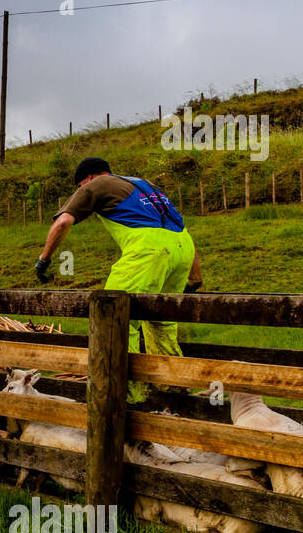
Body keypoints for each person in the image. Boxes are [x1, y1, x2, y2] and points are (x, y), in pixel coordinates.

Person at [34, 157, 203, 403]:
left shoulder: (97, 185)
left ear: (88, 179)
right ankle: (173, 394)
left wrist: (44, 260)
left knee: (114, 321)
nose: (81, 190)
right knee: (162, 324)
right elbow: (181, 228)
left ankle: (129, 401)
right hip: (183, 248)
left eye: (80, 186)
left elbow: (63, 222)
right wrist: (194, 276)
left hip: (149, 251)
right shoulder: (147, 186)